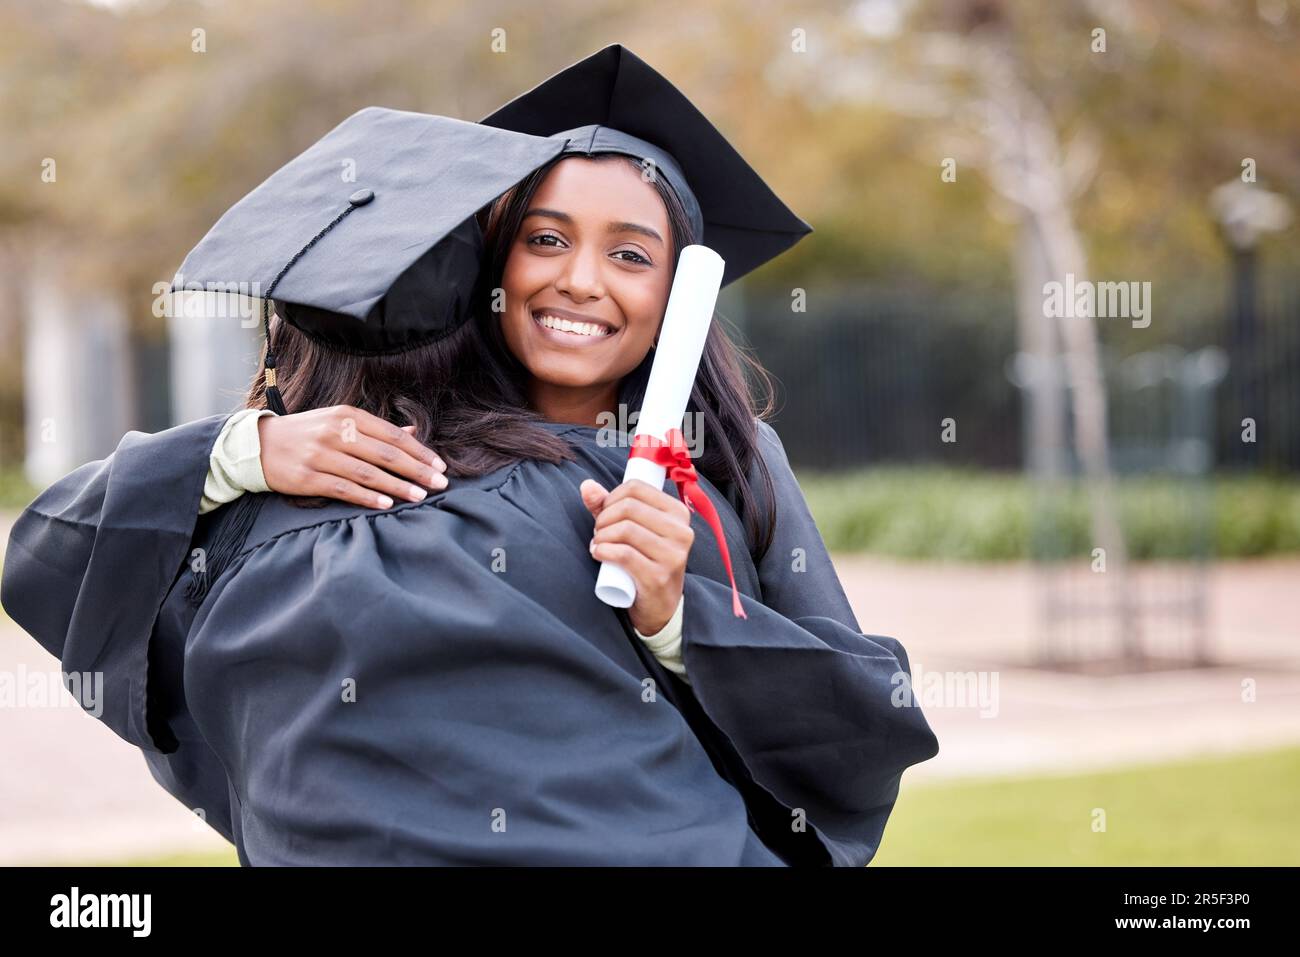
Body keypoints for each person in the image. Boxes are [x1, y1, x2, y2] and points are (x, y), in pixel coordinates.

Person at [2, 48, 940, 865]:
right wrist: (242, 451)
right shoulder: (375, 447)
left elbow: (859, 716)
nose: (579, 278)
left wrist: (675, 621)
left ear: (675, 290)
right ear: (496, 264)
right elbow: (55, 556)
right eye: (546, 238)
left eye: (630, 254)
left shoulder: (731, 462)